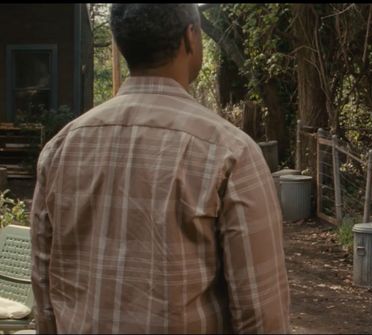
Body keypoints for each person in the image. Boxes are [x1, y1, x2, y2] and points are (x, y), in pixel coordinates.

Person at [30, 4, 289, 333]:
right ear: (190, 39)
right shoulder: (230, 153)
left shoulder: (60, 149)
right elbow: (261, 315)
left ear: (121, 42)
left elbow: (44, 290)